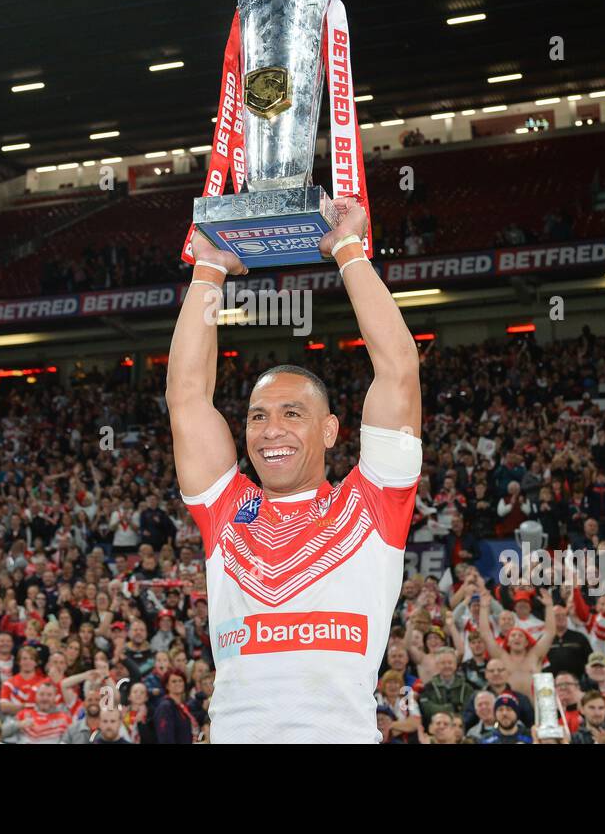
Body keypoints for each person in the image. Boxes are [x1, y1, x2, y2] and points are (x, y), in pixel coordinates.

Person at [168, 198, 422, 743]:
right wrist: (208, 267)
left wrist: (348, 248)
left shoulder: (373, 504)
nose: (271, 430)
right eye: (258, 416)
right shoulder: (226, 509)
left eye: (292, 414)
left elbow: (399, 369)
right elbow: (188, 398)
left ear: (330, 431)